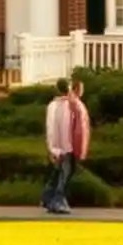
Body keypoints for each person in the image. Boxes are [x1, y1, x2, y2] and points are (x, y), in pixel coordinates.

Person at [42, 78, 78, 214]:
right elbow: (53, 128)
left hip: (64, 146)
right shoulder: (59, 106)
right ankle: (57, 200)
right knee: (64, 173)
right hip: (63, 147)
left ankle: (48, 197)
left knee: (58, 172)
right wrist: (54, 149)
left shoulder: (65, 105)